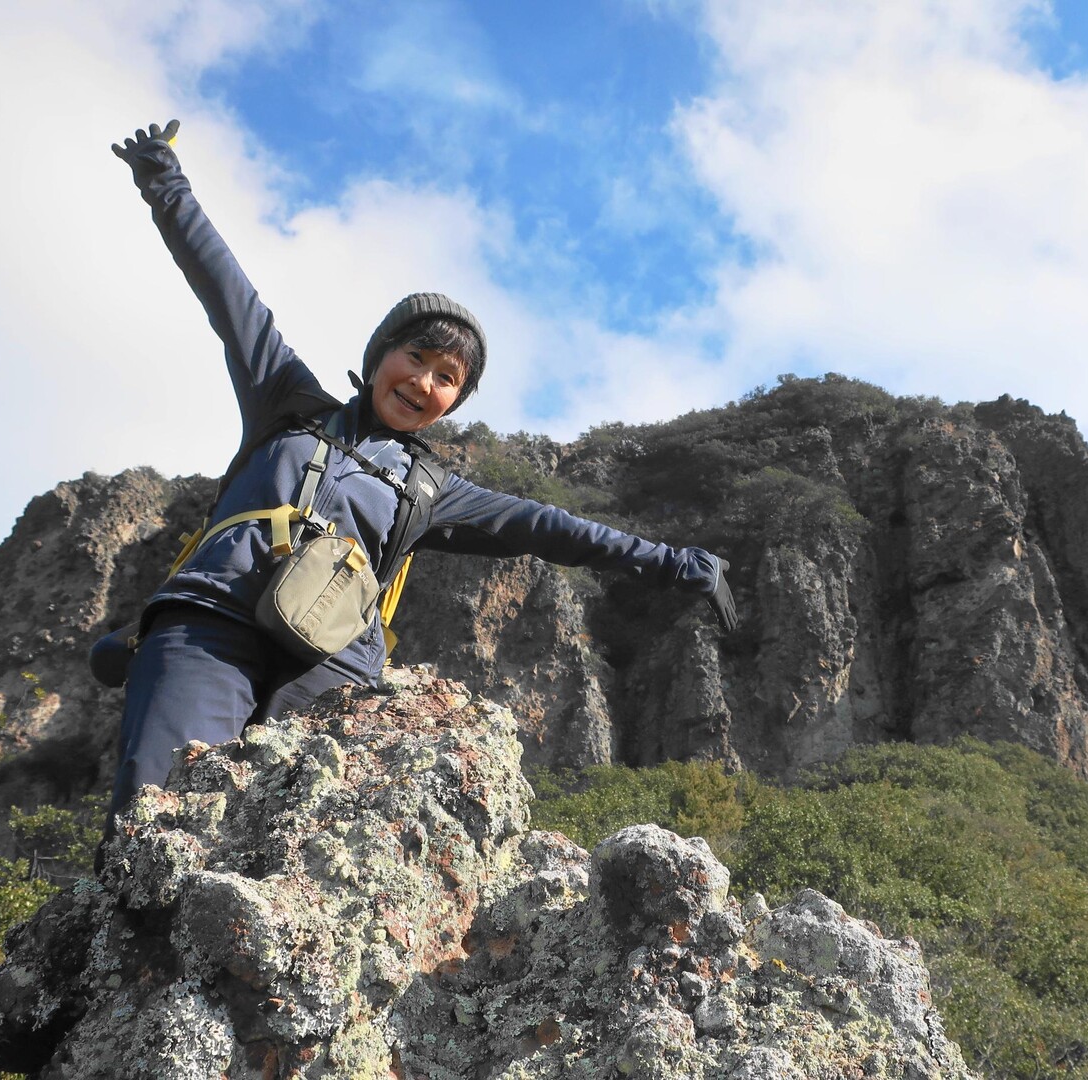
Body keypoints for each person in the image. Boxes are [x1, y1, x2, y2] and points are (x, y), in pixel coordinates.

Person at [104, 120, 737, 827]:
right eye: (416, 358)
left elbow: (550, 529)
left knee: (289, 834)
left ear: (451, 404)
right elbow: (230, 294)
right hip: (211, 622)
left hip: (331, 660)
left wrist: (673, 562)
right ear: (380, 357)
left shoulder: (432, 490)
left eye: (448, 379)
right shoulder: (290, 403)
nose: (424, 382)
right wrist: (166, 184)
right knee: (155, 814)